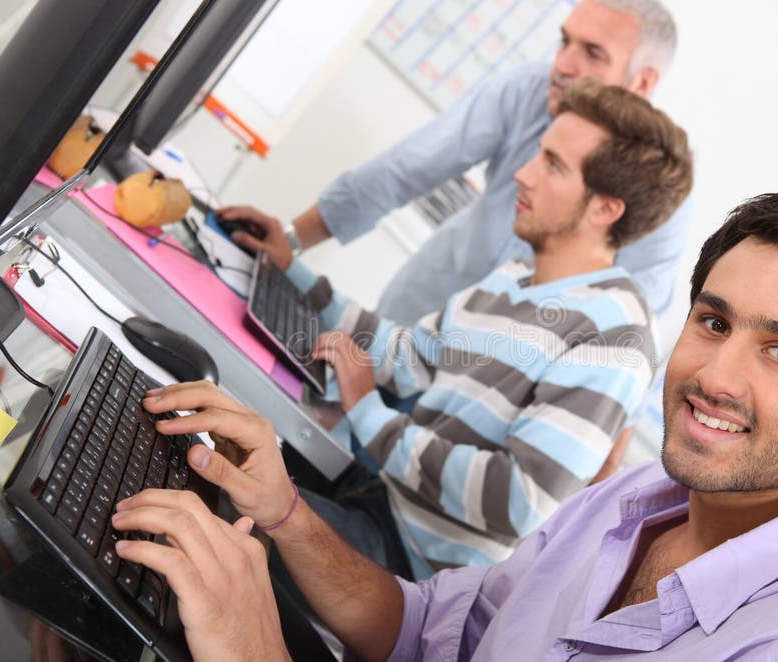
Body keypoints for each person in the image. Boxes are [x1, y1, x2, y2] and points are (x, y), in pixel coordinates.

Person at [112, 187, 778, 661]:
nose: (716, 377)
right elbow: (425, 630)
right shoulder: (630, 502)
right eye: (715, 323)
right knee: (121, 566)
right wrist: (284, 508)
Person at [245, 78, 692, 580]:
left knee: (223, 523)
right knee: (222, 459)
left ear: (605, 209)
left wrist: (369, 414)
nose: (522, 175)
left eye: (552, 165)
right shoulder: (513, 280)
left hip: (416, 569)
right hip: (379, 494)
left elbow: (516, 501)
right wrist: (295, 272)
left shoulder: (615, 337)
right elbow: (408, 357)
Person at [219, 0, 692, 324]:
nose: (563, 65)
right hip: (423, 304)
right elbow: (408, 167)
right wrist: (294, 240)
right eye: (564, 42)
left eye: (592, 53)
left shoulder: (660, 193)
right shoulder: (531, 88)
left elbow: (628, 328)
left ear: (643, 83)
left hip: (497, 376)